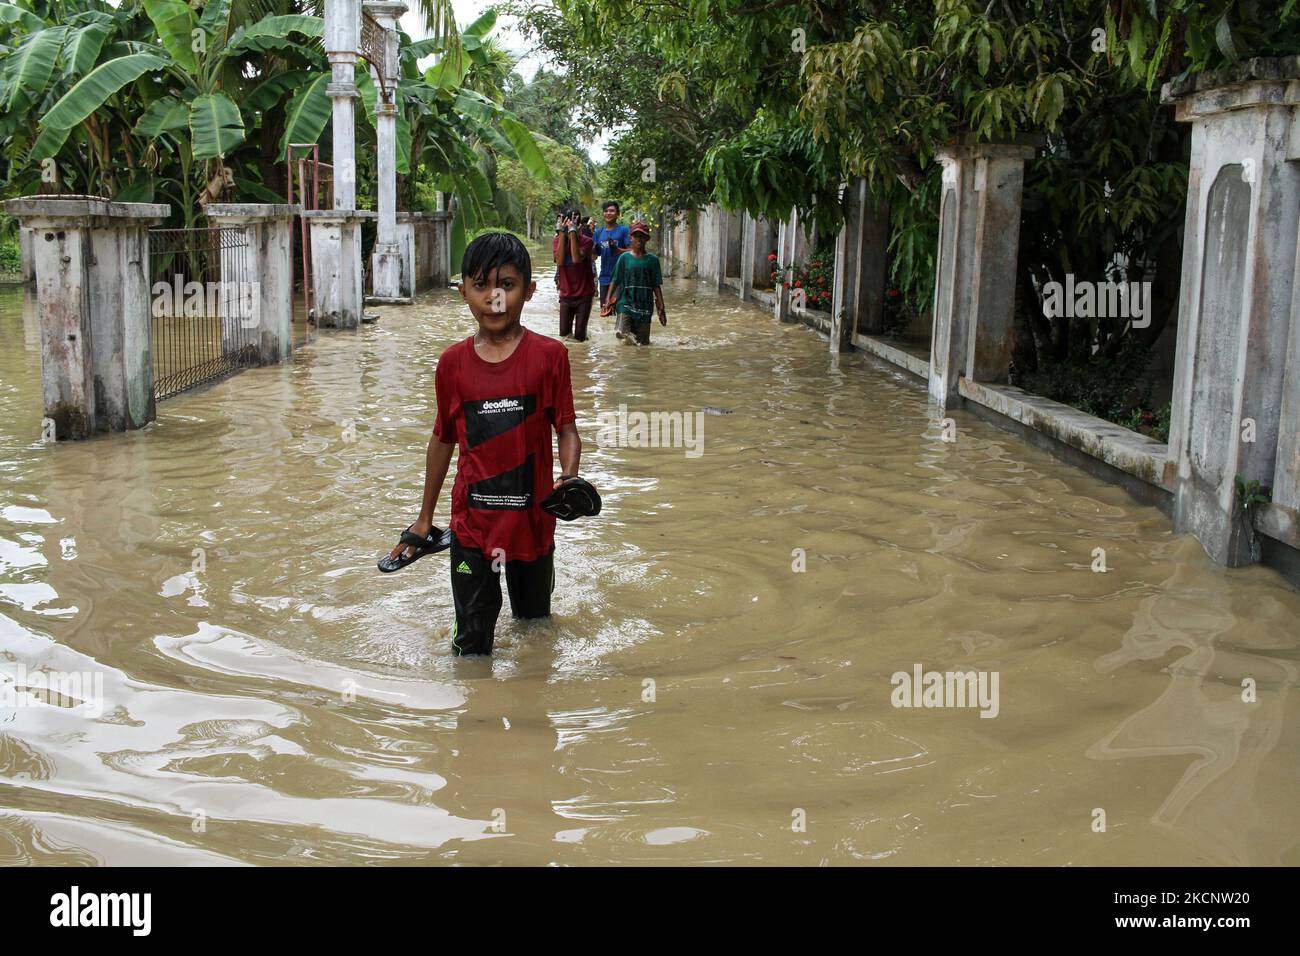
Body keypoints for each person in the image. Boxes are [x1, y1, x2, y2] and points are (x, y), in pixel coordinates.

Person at [386, 233, 584, 656]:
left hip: (534, 527)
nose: (494, 300)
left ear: (529, 292)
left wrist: (570, 480)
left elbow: (566, 429)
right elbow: (442, 440)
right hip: (472, 530)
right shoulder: (452, 364)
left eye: (507, 286)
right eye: (480, 286)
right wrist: (424, 520)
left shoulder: (550, 357)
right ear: (463, 292)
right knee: (471, 647)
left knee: (535, 632)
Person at [601, 220, 666, 346]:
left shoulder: (652, 260)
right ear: (630, 237)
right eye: (636, 236)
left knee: (642, 345)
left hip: (645, 306)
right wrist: (608, 300)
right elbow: (615, 279)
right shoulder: (624, 258)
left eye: (642, 236)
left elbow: (656, 285)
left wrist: (661, 307)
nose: (639, 239)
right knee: (623, 338)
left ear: (647, 239)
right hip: (625, 303)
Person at [552, 209, 595, 341]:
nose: (571, 224)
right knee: (564, 336)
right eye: (568, 221)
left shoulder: (586, 241)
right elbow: (559, 261)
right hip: (566, 294)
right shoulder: (557, 241)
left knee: (580, 336)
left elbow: (576, 259)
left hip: (584, 294)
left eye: (575, 220)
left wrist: (572, 232)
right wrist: (562, 234)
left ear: (580, 224)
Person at [591, 201, 631, 309]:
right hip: (604, 277)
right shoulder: (598, 233)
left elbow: (633, 251)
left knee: (620, 309)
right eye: (606, 211)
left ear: (617, 214)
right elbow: (594, 256)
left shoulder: (624, 230)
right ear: (603, 214)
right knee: (605, 311)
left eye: (612, 211)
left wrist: (618, 250)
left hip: (621, 277)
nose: (608, 213)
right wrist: (593, 250)